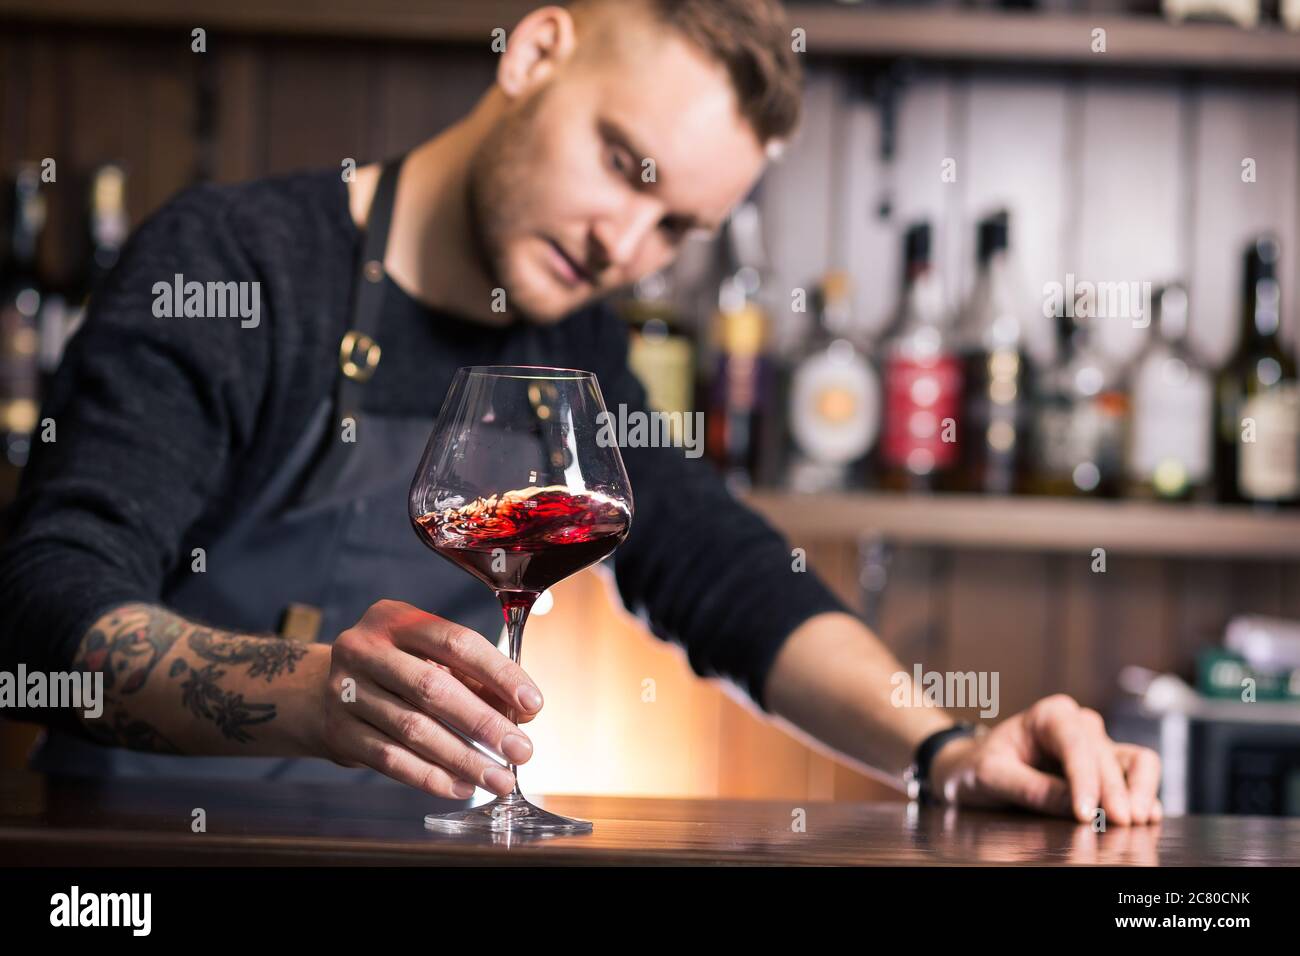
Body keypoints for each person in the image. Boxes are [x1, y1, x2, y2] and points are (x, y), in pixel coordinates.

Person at [0, 0, 1161, 824]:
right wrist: (312, 690)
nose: (624, 245)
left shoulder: (574, 339)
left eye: (675, 230)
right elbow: (48, 604)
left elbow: (722, 567)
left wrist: (945, 749)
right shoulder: (237, 262)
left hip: (416, 847)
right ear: (536, 53)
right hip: (141, 850)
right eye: (625, 165)